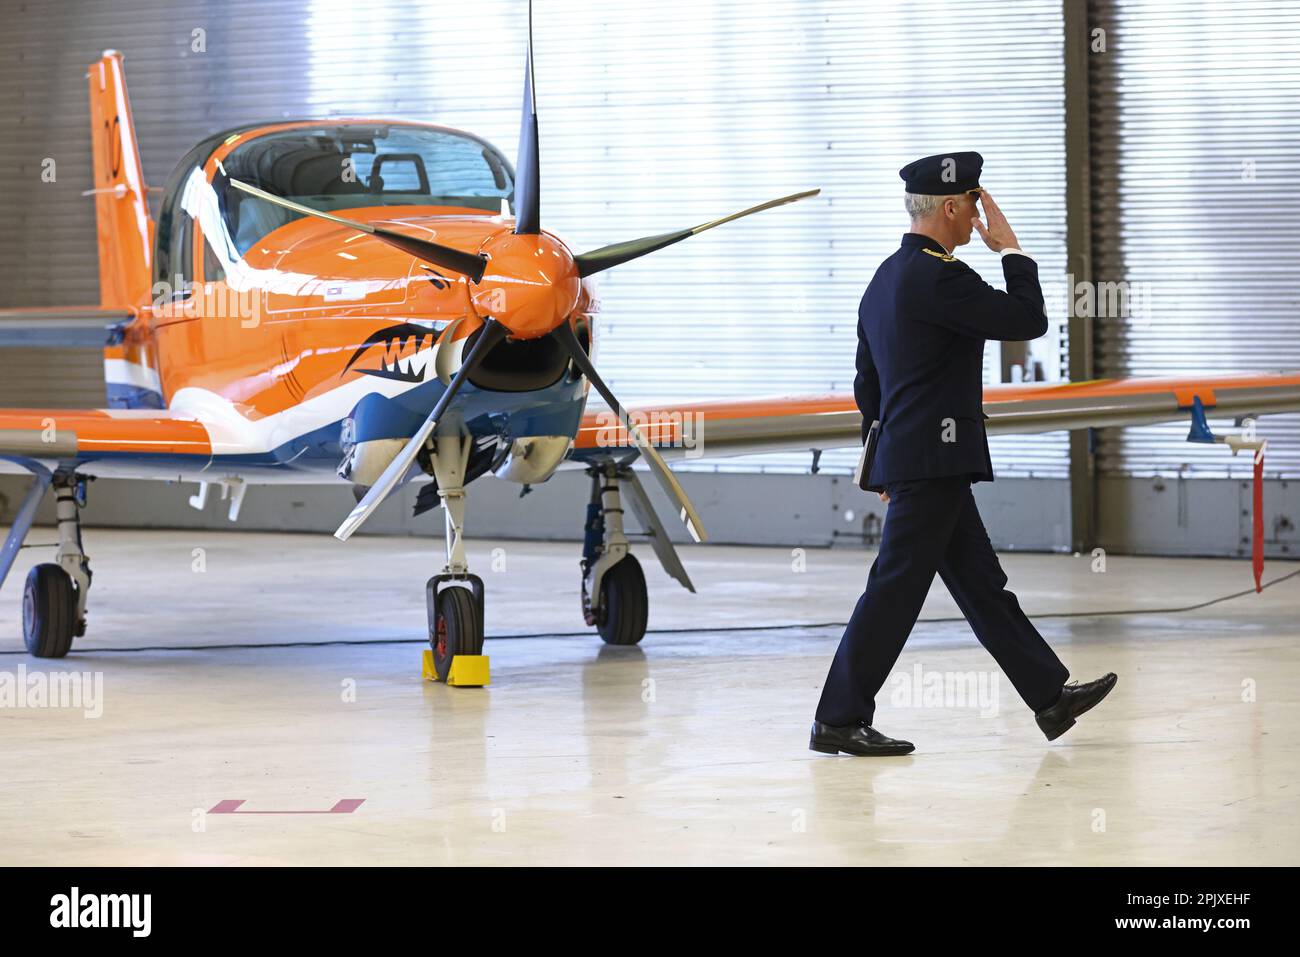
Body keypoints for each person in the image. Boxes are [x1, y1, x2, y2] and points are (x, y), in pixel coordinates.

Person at [810, 151, 1116, 757]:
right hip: (933, 463)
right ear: (951, 206)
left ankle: (1051, 698)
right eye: (975, 203)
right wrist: (1010, 249)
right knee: (895, 589)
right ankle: (838, 718)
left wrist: (881, 460)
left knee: (981, 586)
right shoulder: (940, 277)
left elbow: (866, 383)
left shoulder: (885, 278)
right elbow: (1028, 319)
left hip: (917, 460)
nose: (980, 214)